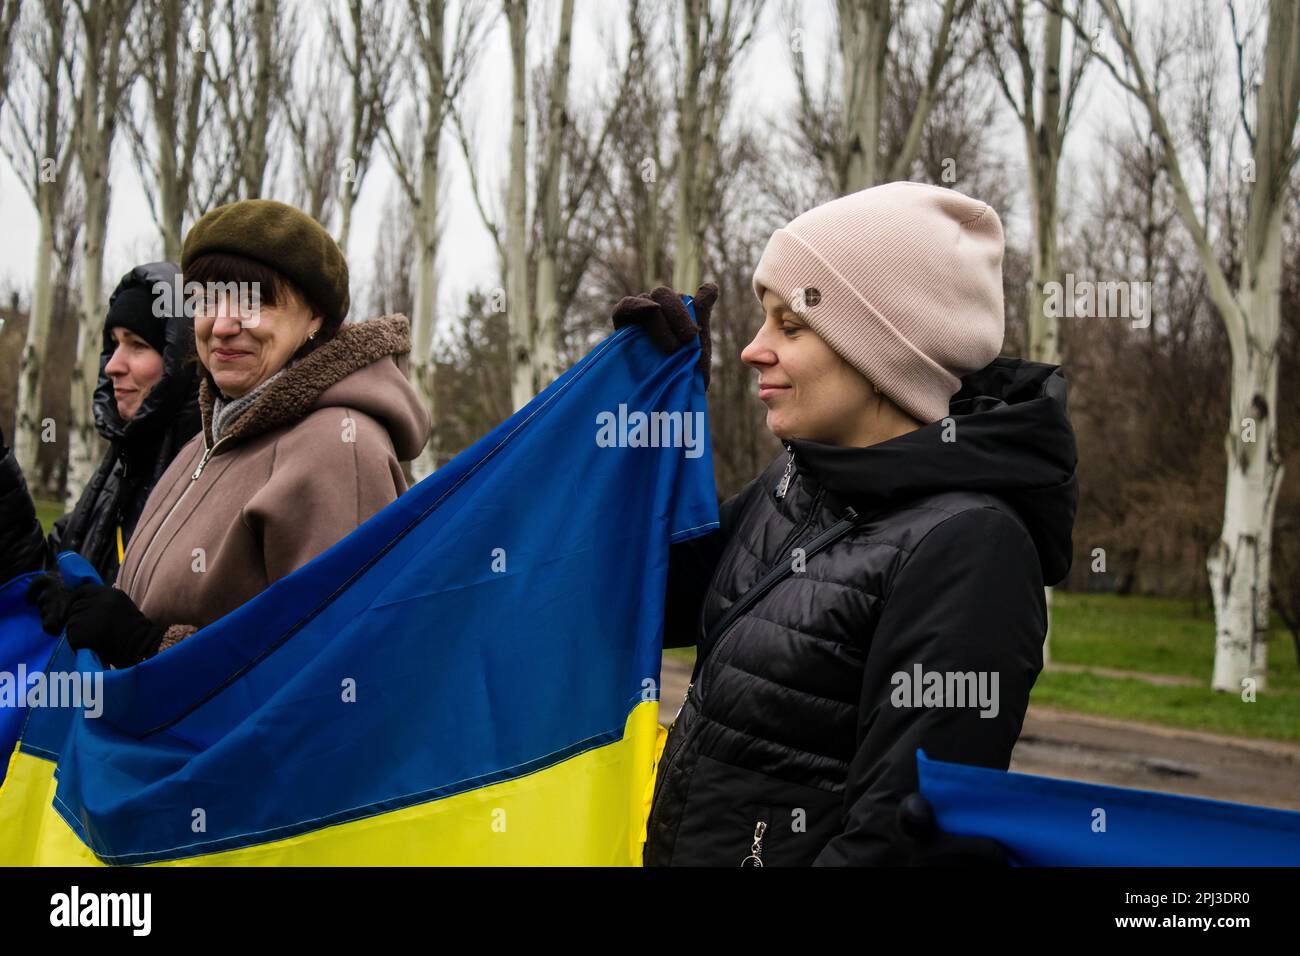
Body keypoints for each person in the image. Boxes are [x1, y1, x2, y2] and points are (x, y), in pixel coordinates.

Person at [619, 181, 1079, 866]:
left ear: (884, 355)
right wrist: (653, 416)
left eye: (791, 326)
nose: (752, 349)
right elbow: (653, 603)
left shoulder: (971, 549)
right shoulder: (803, 479)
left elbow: (900, 846)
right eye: (763, 318)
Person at [27, 199, 431, 667]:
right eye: (206, 301)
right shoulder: (204, 444)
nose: (222, 325)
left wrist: (151, 650)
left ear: (315, 318)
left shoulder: (341, 447)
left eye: (253, 301)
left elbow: (332, 675)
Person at [0, 262, 200, 586]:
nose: (113, 366)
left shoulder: (209, 480)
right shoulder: (119, 471)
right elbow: (41, 579)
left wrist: (131, 633)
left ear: (181, 360)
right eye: (115, 343)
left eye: (137, 344)